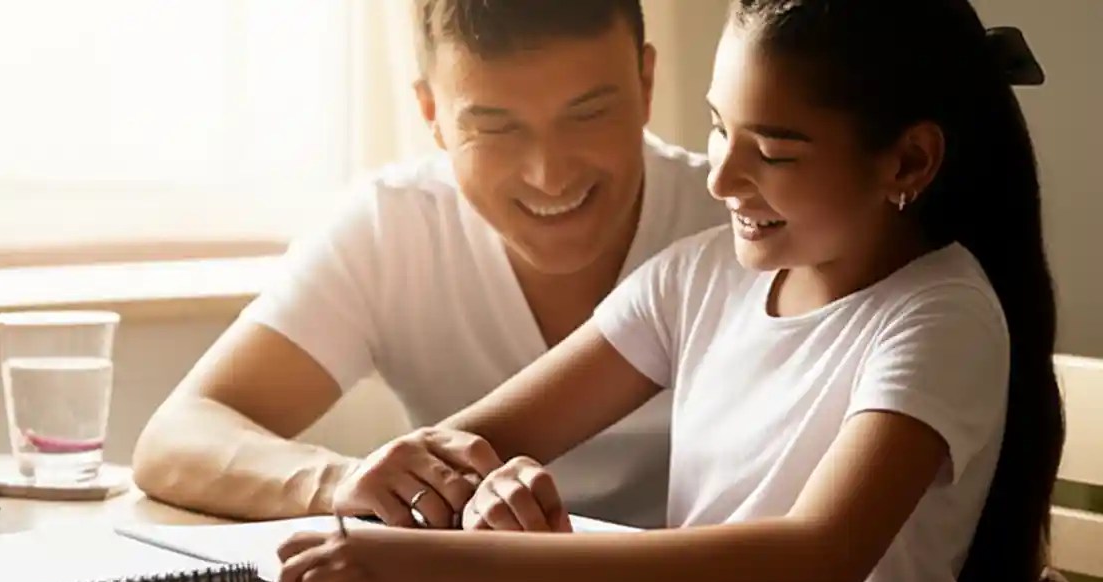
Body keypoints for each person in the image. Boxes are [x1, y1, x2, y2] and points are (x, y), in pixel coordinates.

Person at [277, 0, 1065, 582]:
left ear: (909, 160)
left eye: (775, 151)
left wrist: (455, 566)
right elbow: (467, 447)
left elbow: (811, 565)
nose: (722, 180)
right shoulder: (695, 277)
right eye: (718, 129)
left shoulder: (939, 315)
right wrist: (401, 484)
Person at [131, 0, 727, 529]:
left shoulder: (738, 224)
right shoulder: (394, 228)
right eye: (494, 127)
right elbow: (176, 437)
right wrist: (341, 482)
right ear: (431, 113)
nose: (550, 173)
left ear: (646, 83)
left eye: (588, 114)